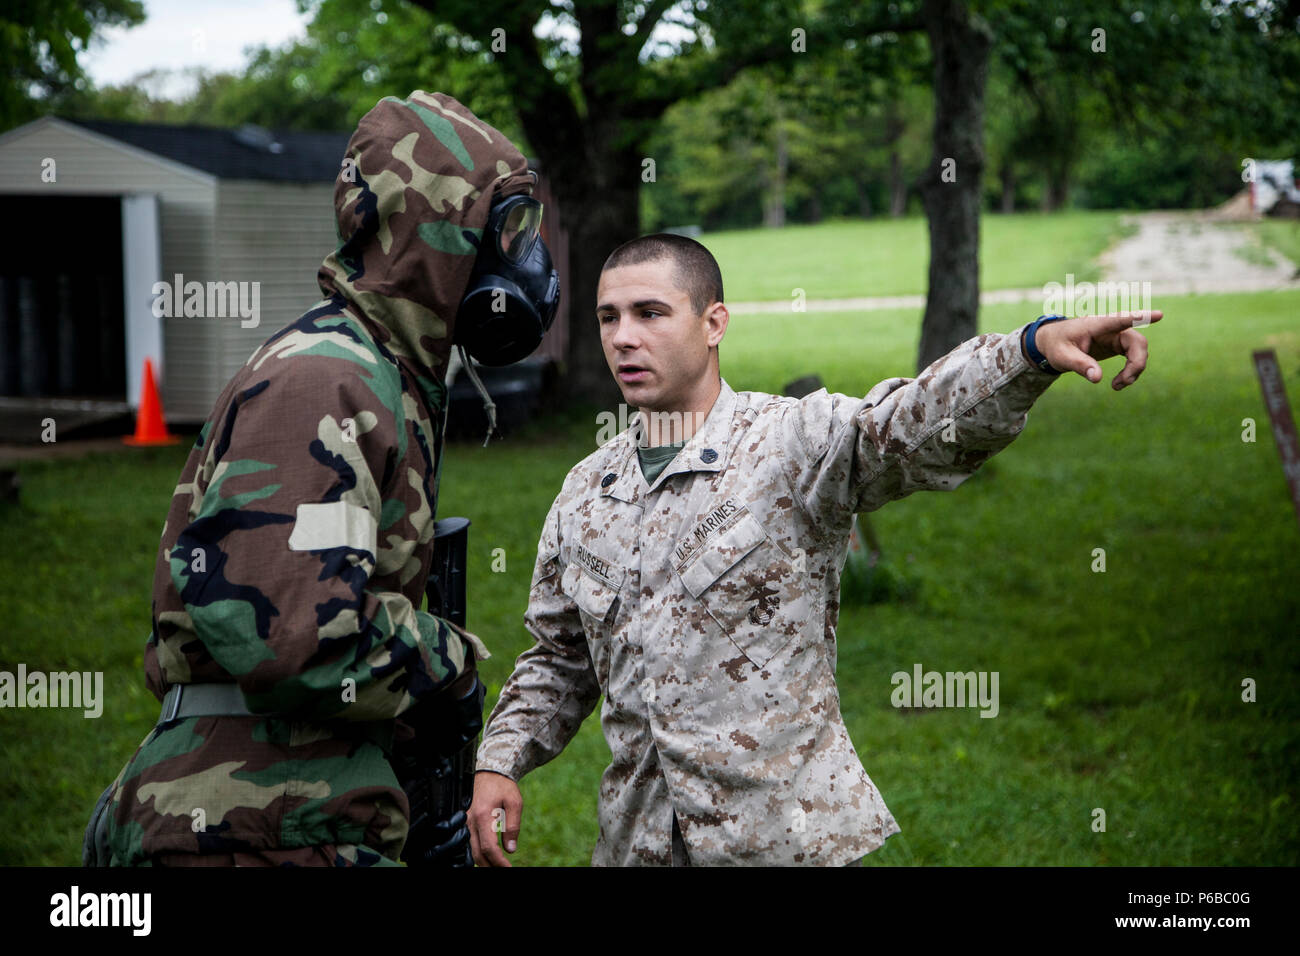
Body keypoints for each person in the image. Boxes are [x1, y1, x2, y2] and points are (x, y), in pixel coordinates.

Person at [468, 233, 1160, 867]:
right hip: (639, 844)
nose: (623, 338)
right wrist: (499, 760)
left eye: (651, 313)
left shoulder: (788, 443)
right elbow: (560, 659)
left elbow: (906, 425)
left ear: (714, 324)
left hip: (785, 843)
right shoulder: (589, 490)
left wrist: (1028, 352)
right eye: (608, 318)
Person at [95, 91, 559, 866]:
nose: (521, 258)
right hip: (245, 826)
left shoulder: (383, 378)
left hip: (296, 820)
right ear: (435, 227)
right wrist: (447, 658)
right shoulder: (325, 379)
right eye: (504, 226)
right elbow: (292, 641)